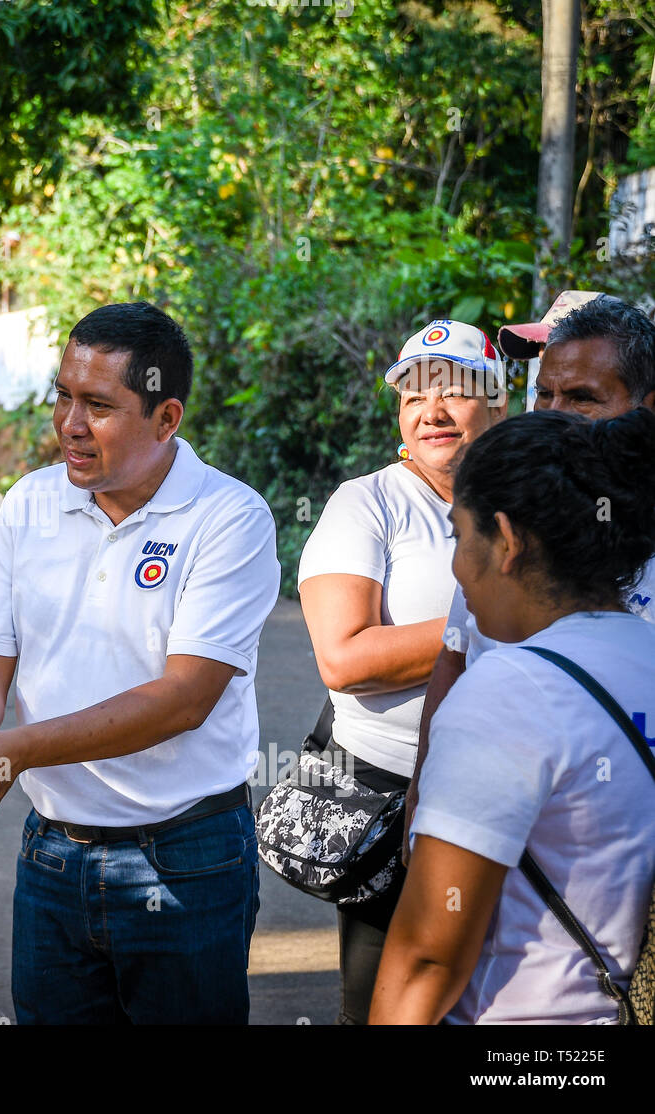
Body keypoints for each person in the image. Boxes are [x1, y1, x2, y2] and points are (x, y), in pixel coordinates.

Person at [0, 301, 280, 1024]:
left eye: (98, 405)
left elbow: (184, 698)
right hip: (53, 855)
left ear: (166, 417)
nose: (69, 425)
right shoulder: (30, 504)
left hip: (187, 856)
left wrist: (13, 751)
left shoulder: (229, 519)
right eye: (62, 396)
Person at [372, 408, 655, 1024]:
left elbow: (428, 956)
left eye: (460, 535)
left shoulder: (509, 689)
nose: (456, 565)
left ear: (508, 540)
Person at [297, 319, 507, 1024]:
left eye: (456, 392)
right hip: (386, 805)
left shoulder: (531, 503)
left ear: (499, 406)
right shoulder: (369, 503)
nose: (433, 411)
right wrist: (493, 616)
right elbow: (345, 657)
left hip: (510, 797)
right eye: (415, 396)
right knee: (384, 1005)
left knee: (503, 998)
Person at [404, 295, 655, 858]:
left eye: (583, 398)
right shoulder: (510, 511)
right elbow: (455, 653)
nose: (554, 411)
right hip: (490, 848)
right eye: (544, 392)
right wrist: (424, 788)